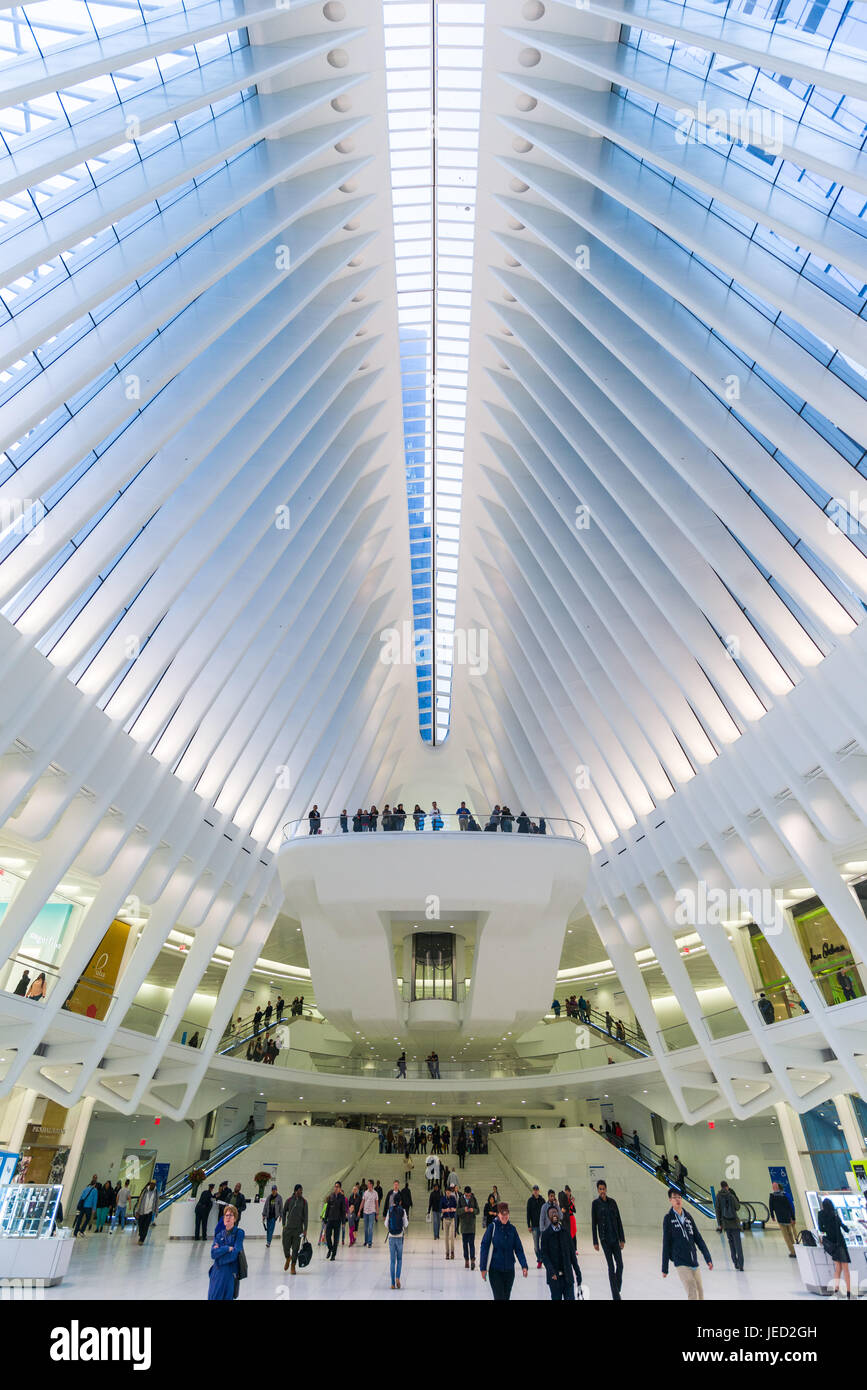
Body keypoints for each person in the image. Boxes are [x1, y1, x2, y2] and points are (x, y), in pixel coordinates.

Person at [661, 1188, 713, 1299]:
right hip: (680, 1261)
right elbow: (666, 1243)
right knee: (692, 1291)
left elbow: (698, 1239)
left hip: (693, 1261)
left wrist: (708, 1258)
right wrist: (664, 1268)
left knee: (700, 1292)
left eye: (679, 1197)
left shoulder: (688, 1217)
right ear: (670, 1200)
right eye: (675, 1197)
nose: (678, 1200)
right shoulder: (668, 1219)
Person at [480, 1203, 528, 1300]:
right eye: (503, 1214)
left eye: (506, 1214)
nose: (505, 1217)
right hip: (495, 1270)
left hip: (509, 1271)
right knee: (499, 1297)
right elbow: (484, 1247)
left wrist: (524, 1265)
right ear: (498, 1214)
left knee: (506, 1297)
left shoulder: (512, 1229)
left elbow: (518, 1249)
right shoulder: (492, 1228)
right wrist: (483, 1268)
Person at [591, 1179, 625, 1300]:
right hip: (605, 1240)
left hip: (615, 1239)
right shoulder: (595, 1204)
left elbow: (619, 1220)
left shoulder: (613, 1202)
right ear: (598, 1190)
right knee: (611, 1267)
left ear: (606, 1189)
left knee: (620, 1265)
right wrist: (595, 1241)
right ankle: (616, 1296)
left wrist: (622, 1238)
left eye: (603, 1189)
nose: (602, 1191)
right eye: (600, 1189)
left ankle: (617, 1287)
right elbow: (594, 1223)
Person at [541, 1201, 582, 1300]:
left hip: (567, 1277)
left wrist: (577, 1272)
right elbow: (544, 1256)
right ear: (548, 1217)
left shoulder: (565, 1232)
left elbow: (572, 1254)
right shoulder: (546, 1235)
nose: (554, 1214)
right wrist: (551, 1271)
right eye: (551, 1213)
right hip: (554, 1278)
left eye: (555, 1212)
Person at [208, 1203, 245, 1301]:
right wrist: (227, 1248)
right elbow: (213, 1253)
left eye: (231, 1215)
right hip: (216, 1273)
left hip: (230, 1273)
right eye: (226, 1215)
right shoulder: (219, 1234)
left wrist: (219, 1258)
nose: (228, 1217)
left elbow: (234, 1254)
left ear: (235, 1218)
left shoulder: (239, 1233)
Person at [818, 1197, 851, 1297]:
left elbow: (821, 1228)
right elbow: (842, 1225)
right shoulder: (835, 1213)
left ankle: (836, 1288)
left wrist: (827, 1229)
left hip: (831, 1243)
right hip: (840, 1242)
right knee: (845, 1268)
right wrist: (847, 1229)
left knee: (838, 1267)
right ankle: (849, 1291)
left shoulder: (821, 1214)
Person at [715, 1180, 744, 1271]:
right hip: (734, 1223)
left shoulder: (718, 1196)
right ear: (727, 1186)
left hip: (726, 1224)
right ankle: (741, 1264)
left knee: (731, 1243)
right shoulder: (731, 1195)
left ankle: (735, 1263)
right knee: (738, 1244)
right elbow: (737, 1207)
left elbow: (717, 1210)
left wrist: (720, 1224)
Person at [282, 1184, 308, 1274]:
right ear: (295, 1191)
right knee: (285, 1246)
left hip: (298, 1230)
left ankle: (293, 1265)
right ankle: (288, 1258)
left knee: (296, 1248)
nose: (301, 1192)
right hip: (288, 1229)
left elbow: (306, 1217)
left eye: (302, 1190)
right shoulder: (289, 1200)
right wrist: (284, 1224)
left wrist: (305, 1229)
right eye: (300, 1190)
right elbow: (284, 1211)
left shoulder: (304, 1202)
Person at [386, 1190, 408, 1288]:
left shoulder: (389, 1210)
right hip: (399, 1237)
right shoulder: (403, 1211)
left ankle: (392, 1283)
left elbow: (386, 1224)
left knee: (392, 1261)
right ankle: (398, 1277)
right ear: (400, 1202)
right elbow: (406, 1224)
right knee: (399, 1259)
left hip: (391, 1237)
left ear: (393, 1201)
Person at [768, 1181, 797, 1258]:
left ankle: (793, 1251)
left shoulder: (772, 1196)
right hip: (787, 1217)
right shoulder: (784, 1195)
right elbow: (790, 1206)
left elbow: (771, 1207)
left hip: (781, 1218)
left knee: (786, 1236)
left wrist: (772, 1216)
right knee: (790, 1234)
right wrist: (793, 1217)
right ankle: (795, 1249)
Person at [324, 1182, 346, 1261]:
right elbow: (327, 1208)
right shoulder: (331, 1196)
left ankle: (333, 1255)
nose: (336, 1188)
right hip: (330, 1219)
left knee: (336, 1239)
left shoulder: (342, 1197)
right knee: (327, 1236)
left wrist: (343, 1222)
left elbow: (343, 1210)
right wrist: (325, 1218)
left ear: (340, 1188)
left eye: (337, 1187)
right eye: (335, 1186)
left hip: (337, 1220)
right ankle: (330, 1248)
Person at [459, 1186, 479, 1269]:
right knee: (464, 1244)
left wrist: (472, 1210)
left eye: (469, 1195)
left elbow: (478, 1211)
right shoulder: (460, 1199)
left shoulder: (473, 1199)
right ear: (464, 1193)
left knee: (471, 1244)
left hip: (471, 1226)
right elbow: (457, 1211)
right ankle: (466, 1260)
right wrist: (464, 1209)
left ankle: (472, 1260)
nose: (468, 1197)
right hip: (464, 1226)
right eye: (466, 1195)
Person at [527, 1184, 545, 1268]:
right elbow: (528, 1214)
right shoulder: (530, 1201)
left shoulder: (542, 1200)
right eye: (534, 1190)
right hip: (534, 1226)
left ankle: (543, 1259)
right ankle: (539, 1259)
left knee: (544, 1244)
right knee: (536, 1246)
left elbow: (546, 1212)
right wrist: (529, 1225)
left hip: (542, 1226)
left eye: (536, 1190)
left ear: (538, 1191)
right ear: (533, 1191)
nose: (535, 1191)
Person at [441, 1181, 458, 1260]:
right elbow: (440, 1209)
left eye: (449, 1192)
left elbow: (456, 1208)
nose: (448, 1193)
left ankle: (452, 1252)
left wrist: (452, 1209)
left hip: (451, 1219)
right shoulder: (443, 1199)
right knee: (446, 1237)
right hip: (445, 1220)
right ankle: (447, 1252)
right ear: (445, 1192)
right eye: (447, 1192)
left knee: (451, 1236)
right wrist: (445, 1210)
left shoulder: (453, 1198)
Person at [262, 1185, 283, 1249]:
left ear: (276, 1190)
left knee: (271, 1229)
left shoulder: (279, 1197)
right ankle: (268, 1241)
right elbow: (265, 1206)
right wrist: (263, 1214)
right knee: (268, 1229)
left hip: (274, 1216)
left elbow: (281, 1207)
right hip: (268, 1215)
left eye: (275, 1190)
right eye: (273, 1190)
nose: (274, 1191)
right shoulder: (269, 1197)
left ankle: (268, 1242)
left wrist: (281, 1216)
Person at [361, 1178, 378, 1247]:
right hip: (365, 1212)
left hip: (372, 1212)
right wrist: (359, 1210)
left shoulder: (375, 1193)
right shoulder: (365, 1192)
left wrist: (377, 1213)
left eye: (368, 1184)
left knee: (370, 1228)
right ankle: (366, 1241)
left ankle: (370, 1242)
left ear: (371, 1185)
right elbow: (363, 1202)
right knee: (365, 1228)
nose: (367, 1185)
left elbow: (377, 1204)